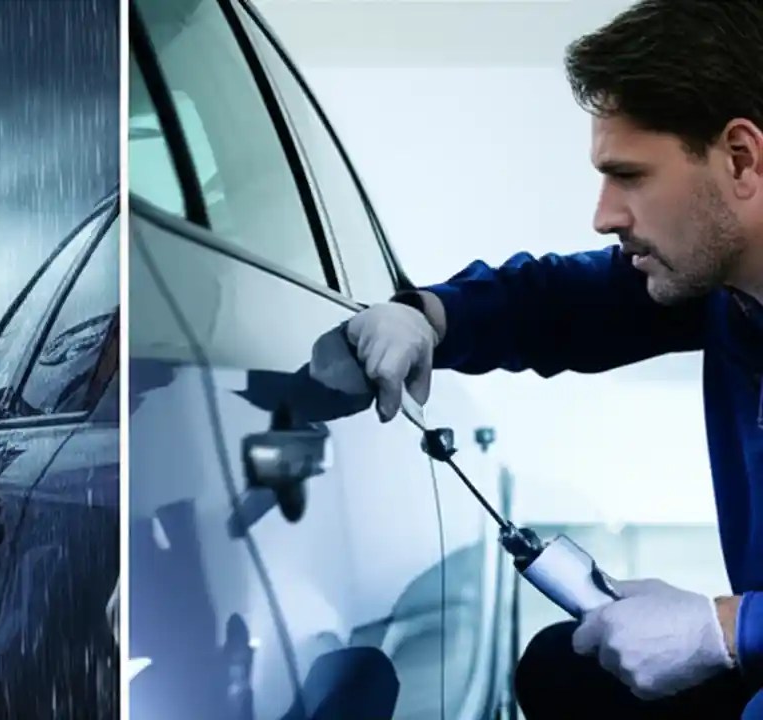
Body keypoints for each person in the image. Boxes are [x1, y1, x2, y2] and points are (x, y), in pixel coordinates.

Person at [309, 2, 763, 718]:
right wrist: (430, 314)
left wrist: (731, 628)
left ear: (741, 159)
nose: (604, 214)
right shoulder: (728, 293)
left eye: (630, 176)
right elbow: (565, 301)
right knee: (569, 672)